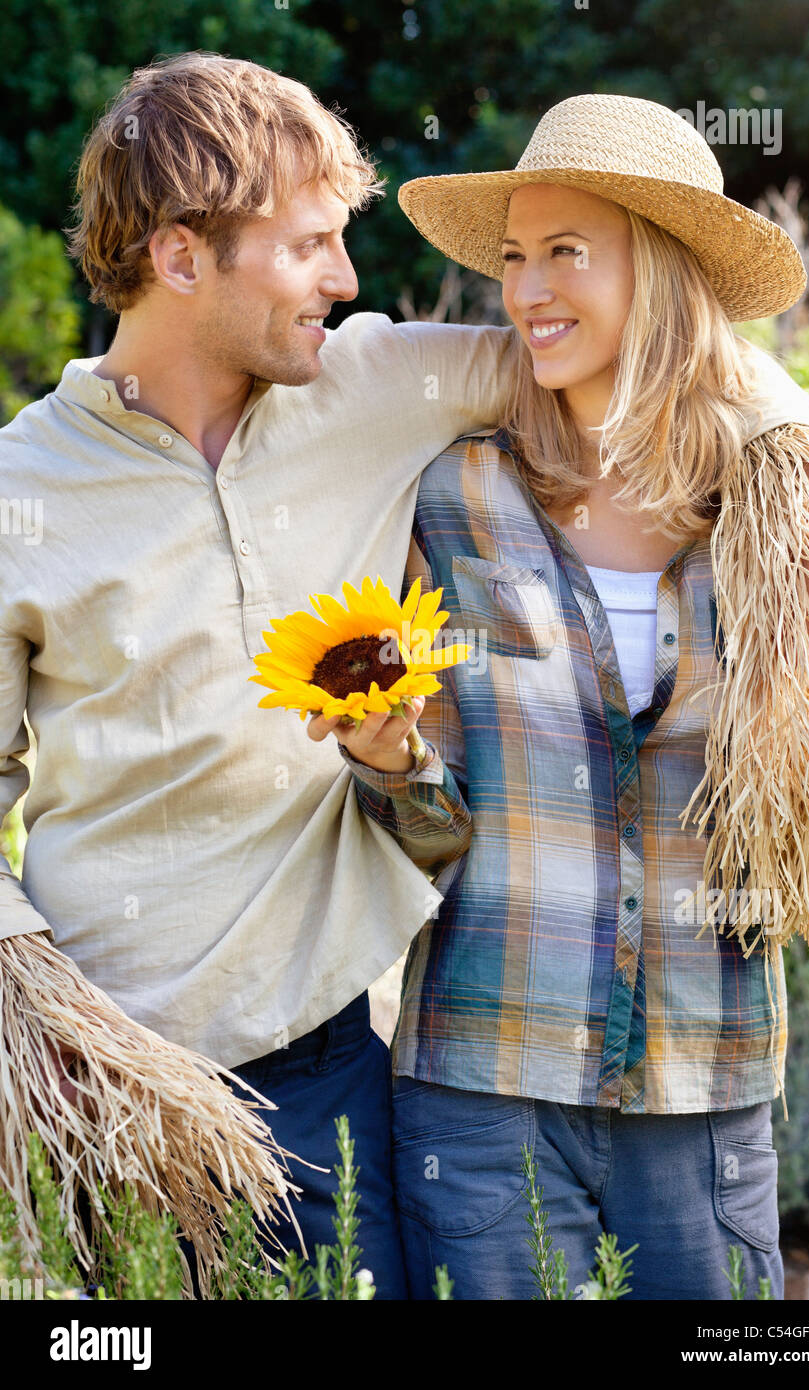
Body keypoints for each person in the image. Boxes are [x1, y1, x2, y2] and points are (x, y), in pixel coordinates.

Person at [318, 94, 809, 1299]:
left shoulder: (781, 515)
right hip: (483, 1077)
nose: (525, 291)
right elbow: (430, 837)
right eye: (514, 258)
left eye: (566, 252)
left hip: (702, 1081)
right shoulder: (454, 500)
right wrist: (391, 764)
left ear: (658, 271)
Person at [0, 50, 518, 1298]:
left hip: (321, 1059)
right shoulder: (20, 490)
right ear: (182, 257)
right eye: (307, 246)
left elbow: (606, 348)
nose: (345, 279)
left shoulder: (372, 385)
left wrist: (781, 444)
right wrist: (42, 1012)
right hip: (106, 1088)